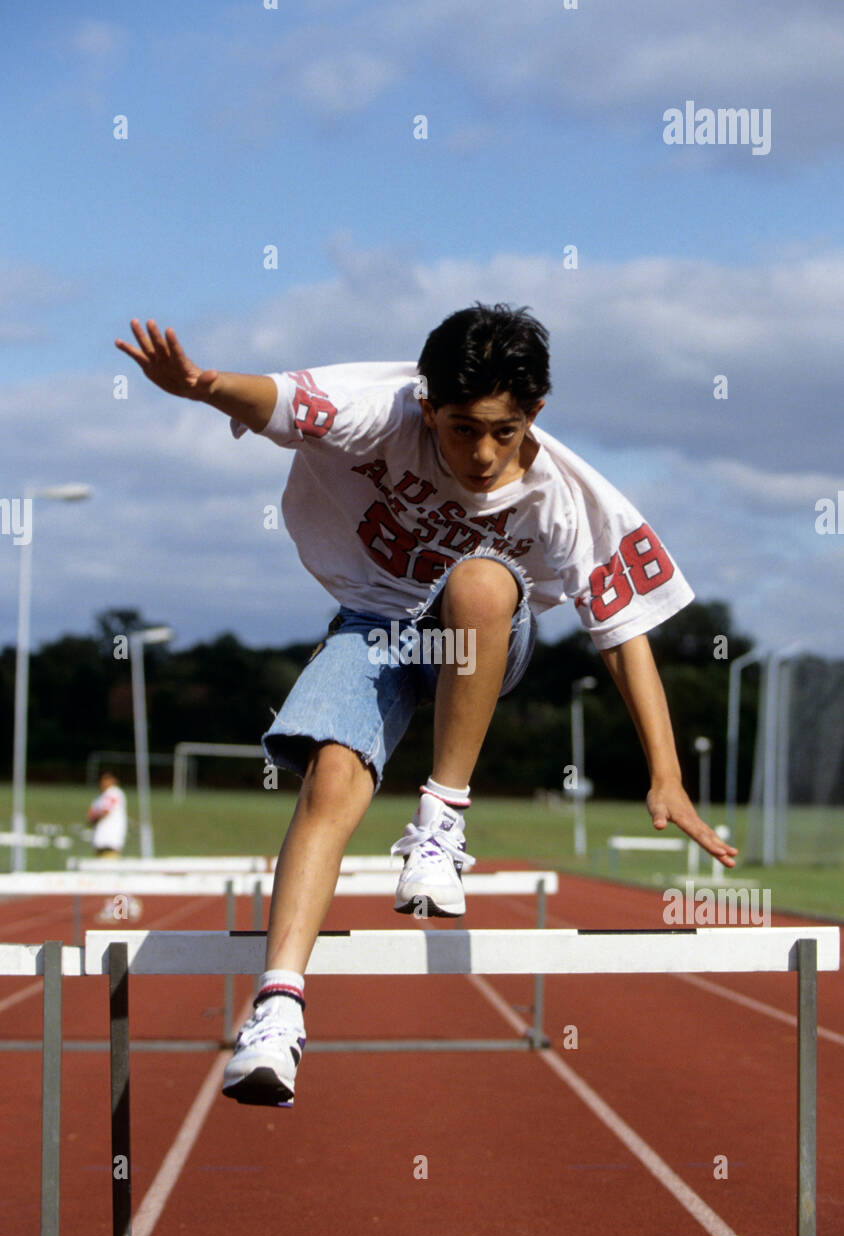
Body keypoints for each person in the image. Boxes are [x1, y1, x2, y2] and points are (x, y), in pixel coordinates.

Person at [116, 303, 737, 1108]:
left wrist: (666, 773)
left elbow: (621, 634)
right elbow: (273, 401)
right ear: (425, 405)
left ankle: (441, 822)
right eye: (459, 429)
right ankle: (277, 1013)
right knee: (332, 777)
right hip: (374, 625)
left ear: (534, 415)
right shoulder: (379, 408)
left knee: (480, 580)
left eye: (503, 432)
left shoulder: (567, 500)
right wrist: (201, 387)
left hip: (474, 647)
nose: (481, 455)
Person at [86, 771, 142, 923]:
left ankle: (117, 909)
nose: (103, 783)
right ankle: (127, 903)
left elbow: (102, 812)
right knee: (106, 877)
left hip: (110, 840)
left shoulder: (114, 794)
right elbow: (90, 815)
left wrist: (95, 815)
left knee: (109, 877)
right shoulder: (100, 797)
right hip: (100, 840)